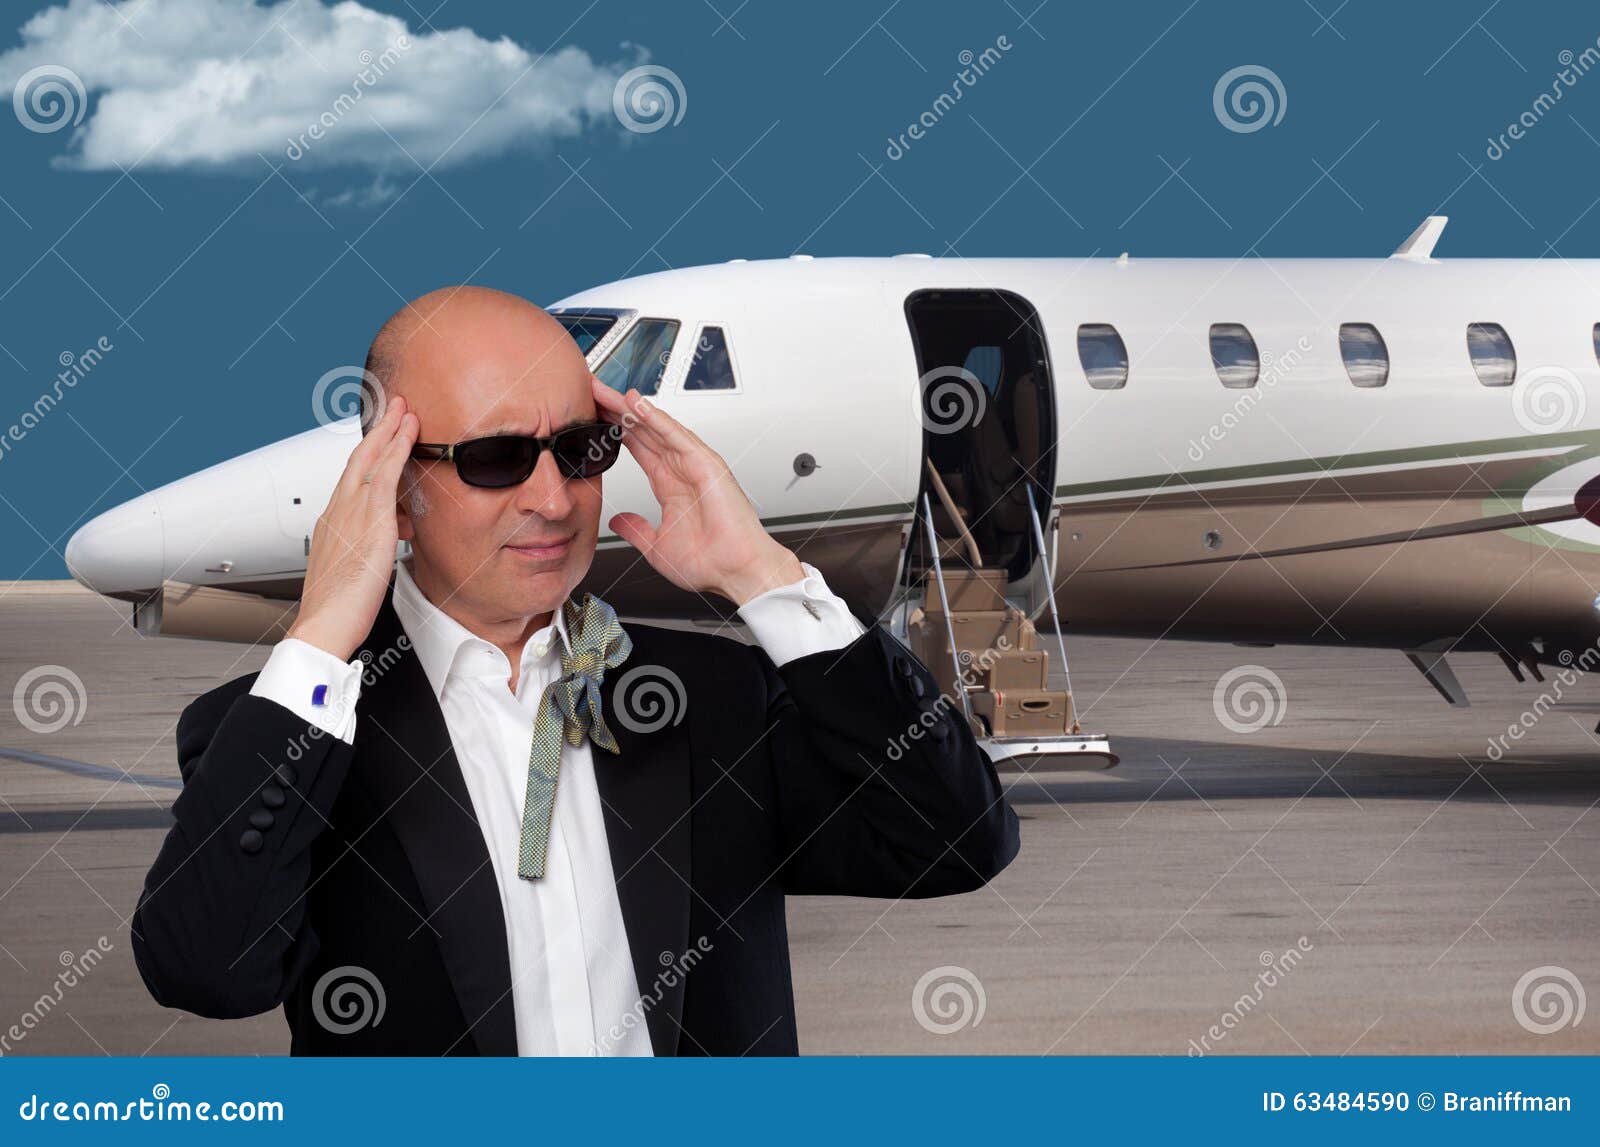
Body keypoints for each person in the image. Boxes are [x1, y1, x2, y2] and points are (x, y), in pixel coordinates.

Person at [130, 286, 1019, 1056]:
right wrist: (323, 636)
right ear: (396, 487)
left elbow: (956, 839)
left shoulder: (715, 698)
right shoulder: (297, 727)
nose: (555, 500)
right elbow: (206, 969)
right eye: (496, 459)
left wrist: (764, 576)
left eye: (582, 450)